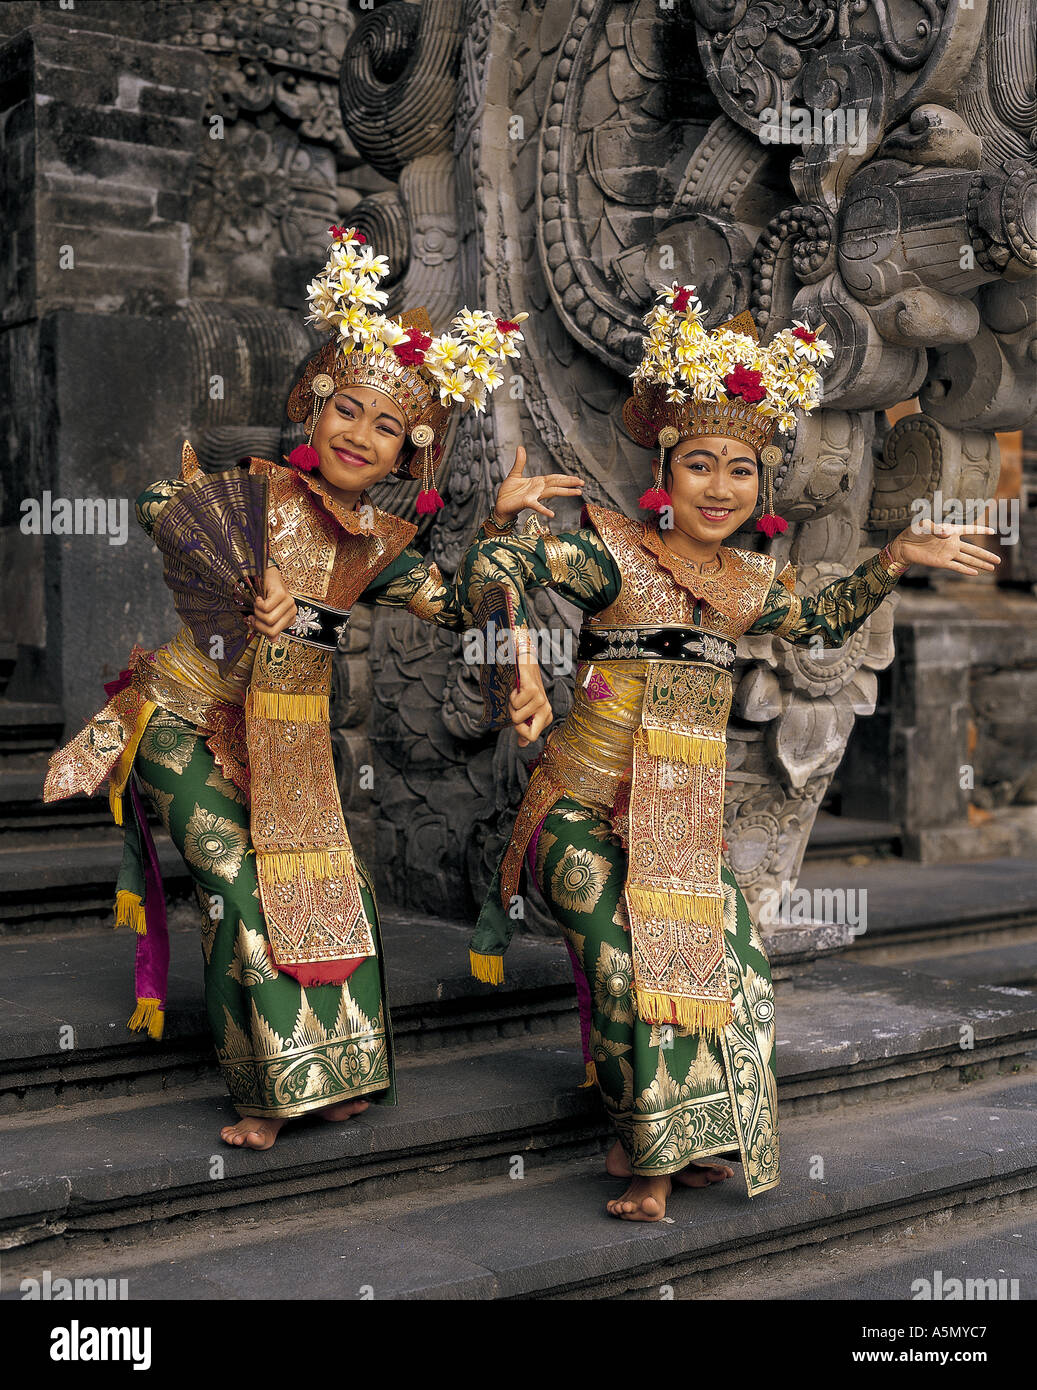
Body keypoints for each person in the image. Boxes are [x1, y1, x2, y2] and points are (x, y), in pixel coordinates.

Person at [459, 285, 1000, 1220]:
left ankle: (701, 1138)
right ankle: (649, 1162)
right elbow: (498, 574)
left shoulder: (751, 581)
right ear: (666, 471)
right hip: (578, 815)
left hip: (675, 827)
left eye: (741, 471)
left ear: (761, 488)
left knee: (731, 968)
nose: (720, 487)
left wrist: (898, 556)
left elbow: (824, 617)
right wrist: (512, 599)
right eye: (701, 465)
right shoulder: (612, 555)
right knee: (630, 968)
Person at [42, 228, 569, 1152]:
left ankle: (334, 1078)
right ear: (316, 408)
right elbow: (164, 504)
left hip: (286, 743)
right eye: (349, 411)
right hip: (177, 722)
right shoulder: (254, 490)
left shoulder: (376, 547)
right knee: (242, 892)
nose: (360, 437)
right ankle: (262, 1089)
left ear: (410, 454)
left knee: (332, 892)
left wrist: (499, 532)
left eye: (388, 427)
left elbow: (459, 610)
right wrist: (249, 571)